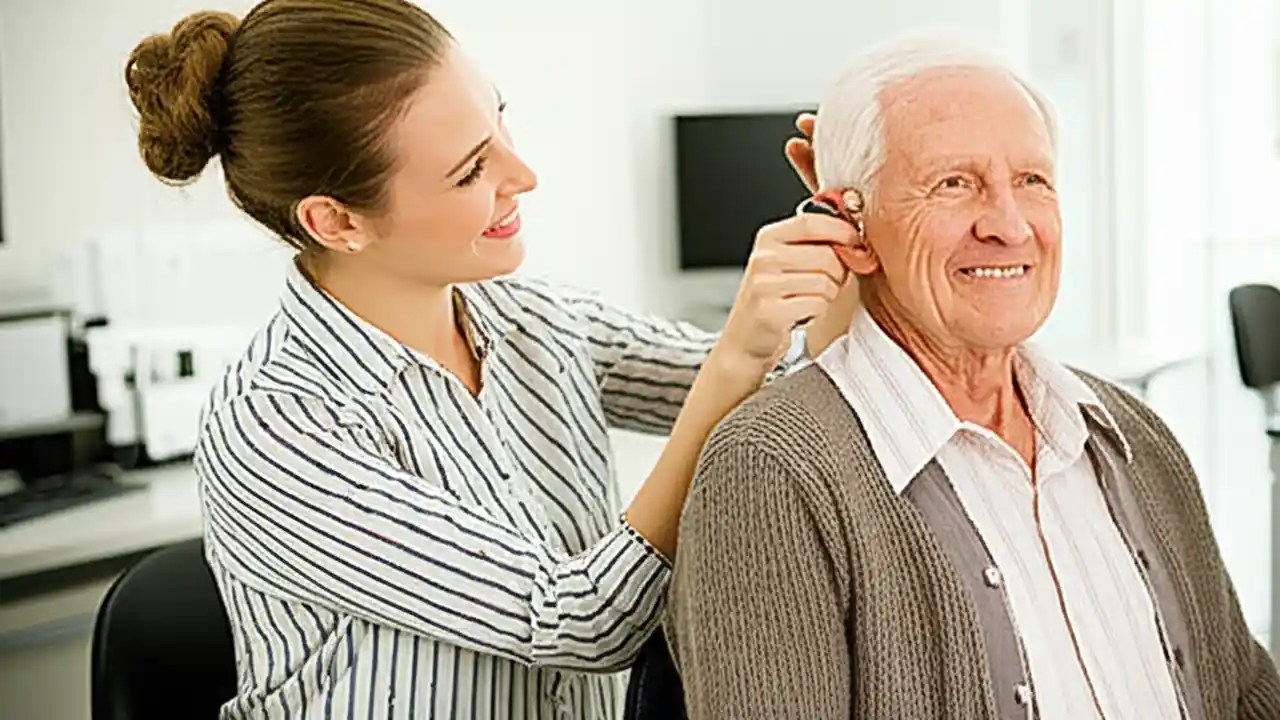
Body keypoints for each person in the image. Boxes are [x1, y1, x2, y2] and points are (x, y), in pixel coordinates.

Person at [123, 1, 859, 718]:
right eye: (471, 169)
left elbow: (795, 394)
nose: (523, 173)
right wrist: (733, 361)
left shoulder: (534, 320)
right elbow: (579, 622)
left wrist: (847, 236)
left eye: (499, 120)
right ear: (337, 221)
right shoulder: (274, 425)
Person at [667, 33, 1280, 720]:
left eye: (1032, 181)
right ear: (852, 226)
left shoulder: (1132, 434)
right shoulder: (769, 472)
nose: (1010, 226)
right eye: (954, 184)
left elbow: (1245, 694)